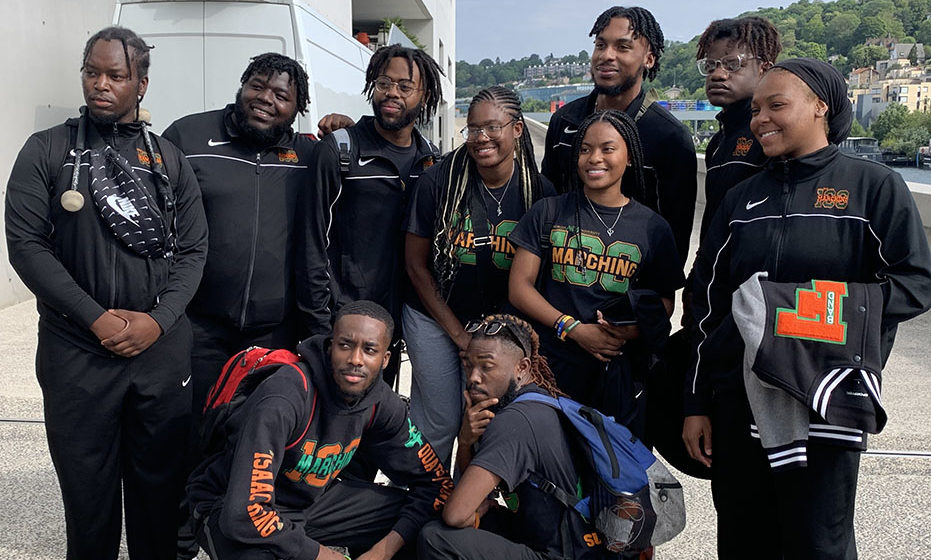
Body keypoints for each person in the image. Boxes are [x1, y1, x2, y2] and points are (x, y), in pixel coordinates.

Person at [682, 58, 931, 559]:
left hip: (828, 399)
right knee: (743, 539)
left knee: (820, 543)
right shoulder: (739, 198)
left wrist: (811, 311)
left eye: (777, 105)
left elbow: (916, 280)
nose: (761, 119)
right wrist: (696, 402)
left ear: (821, 107)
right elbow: (704, 302)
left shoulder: (874, 187)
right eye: (755, 109)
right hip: (739, 400)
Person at [5, 26, 208, 559]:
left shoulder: (168, 160)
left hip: (160, 356)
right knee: (88, 501)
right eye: (91, 72)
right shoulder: (46, 149)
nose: (100, 84)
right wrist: (94, 318)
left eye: (115, 75)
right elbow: (26, 245)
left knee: (159, 499)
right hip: (77, 353)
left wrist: (158, 322)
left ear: (141, 83)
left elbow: (193, 252)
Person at [162, 53, 353, 430]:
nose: (266, 98)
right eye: (257, 86)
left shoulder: (310, 155)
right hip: (198, 327)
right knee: (188, 435)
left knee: (259, 436)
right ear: (242, 87)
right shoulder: (188, 136)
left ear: (298, 109)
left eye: (282, 95)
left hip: (276, 331)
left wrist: (348, 133)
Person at [187, 300, 454, 560]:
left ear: (385, 360)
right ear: (329, 347)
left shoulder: (381, 403)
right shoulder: (286, 396)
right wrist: (321, 555)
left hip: (309, 504)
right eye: (345, 345)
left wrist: (383, 552)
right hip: (229, 506)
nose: (355, 359)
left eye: (369, 350)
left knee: (425, 521)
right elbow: (243, 514)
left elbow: (436, 484)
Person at [403, 85, 555, 468]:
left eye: (492, 128)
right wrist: (459, 336)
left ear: (518, 129)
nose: (480, 138)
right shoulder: (438, 182)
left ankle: (467, 510)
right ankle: (423, 502)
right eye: (472, 129)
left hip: (499, 327)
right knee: (439, 419)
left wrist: (497, 337)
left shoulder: (540, 194)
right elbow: (416, 267)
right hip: (435, 316)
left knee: (487, 419)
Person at [509, 110, 684, 440]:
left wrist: (628, 333)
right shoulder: (548, 211)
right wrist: (572, 328)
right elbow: (519, 287)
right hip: (549, 372)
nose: (594, 158)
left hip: (615, 379)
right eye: (585, 149)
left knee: (610, 476)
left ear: (629, 157)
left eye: (607, 148)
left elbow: (664, 303)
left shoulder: (652, 228)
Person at [302, 44, 444, 388]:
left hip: (395, 322)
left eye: (405, 86)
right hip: (343, 320)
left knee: (377, 420)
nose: (391, 93)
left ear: (424, 97)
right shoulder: (339, 150)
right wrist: (322, 324)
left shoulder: (432, 162)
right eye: (383, 83)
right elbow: (311, 242)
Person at [418, 314, 610, 559]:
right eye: (469, 364)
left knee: (436, 538)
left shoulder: (516, 421)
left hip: (562, 553)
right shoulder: (536, 400)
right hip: (552, 537)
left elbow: (456, 514)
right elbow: (473, 496)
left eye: (486, 366)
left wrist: (478, 511)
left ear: (523, 368)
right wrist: (465, 442)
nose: (473, 377)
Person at [541, 6, 697, 264]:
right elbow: (546, 204)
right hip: (561, 280)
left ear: (649, 59)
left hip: (629, 286)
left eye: (622, 47)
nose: (606, 56)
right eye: (600, 45)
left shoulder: (670, 138)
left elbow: (674, 238)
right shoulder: (564, 121)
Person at [695, 16, 781, 243]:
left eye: (733, 64)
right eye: (710, 66)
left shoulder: (773, 136)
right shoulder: (718, 142)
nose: (718, 74)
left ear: (764, 69)